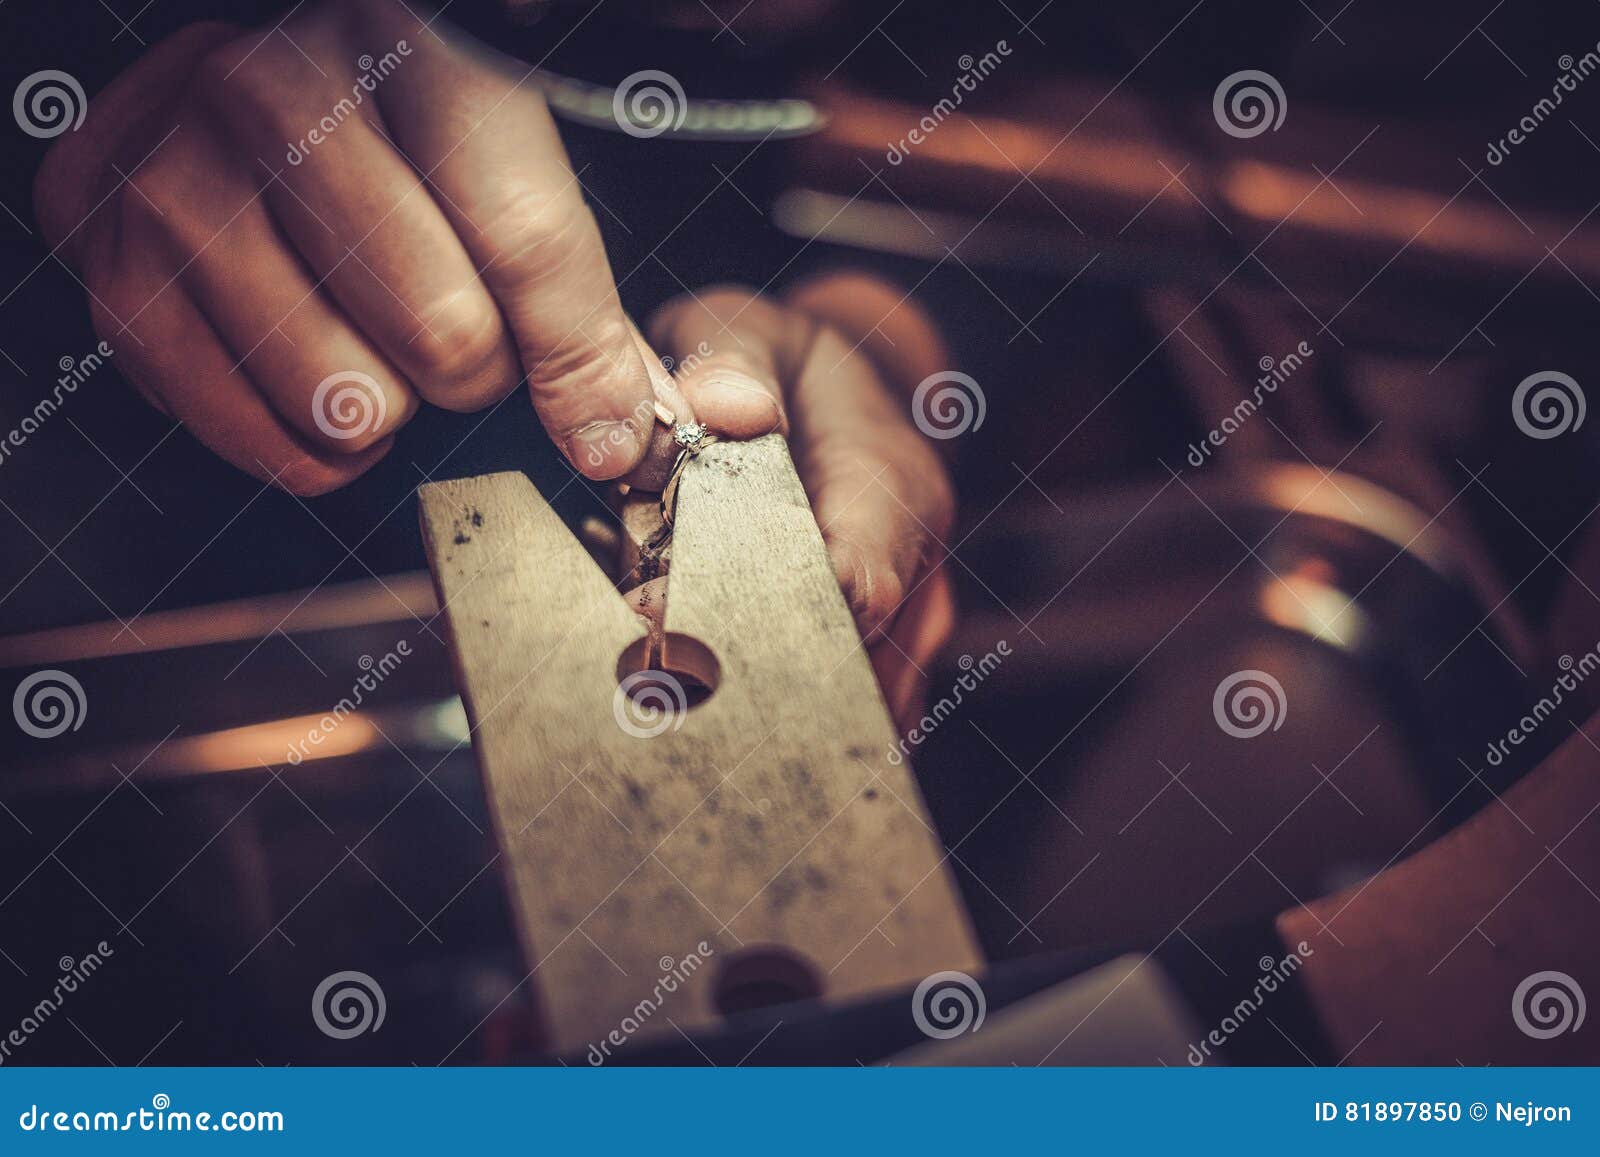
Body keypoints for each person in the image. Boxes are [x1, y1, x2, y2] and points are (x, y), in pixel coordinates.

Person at [32, 0, 955, 725]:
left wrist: (872, 351)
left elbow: (1013, 224)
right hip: (162, 611)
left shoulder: (968, 49)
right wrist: (113, 113)